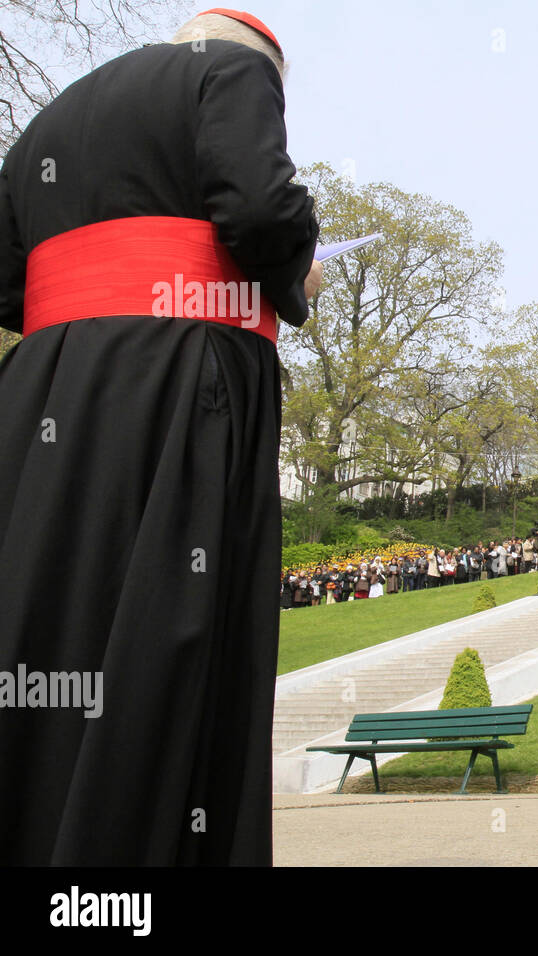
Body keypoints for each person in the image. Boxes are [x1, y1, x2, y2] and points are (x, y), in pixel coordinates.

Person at [0, 10, 318, 865]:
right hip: (180, 377)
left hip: (40, 397)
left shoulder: (44, 124)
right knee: (171, 640)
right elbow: (257, 208)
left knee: (42, 631)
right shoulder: (235, 70)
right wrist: (296, 274)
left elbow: (6, 285)